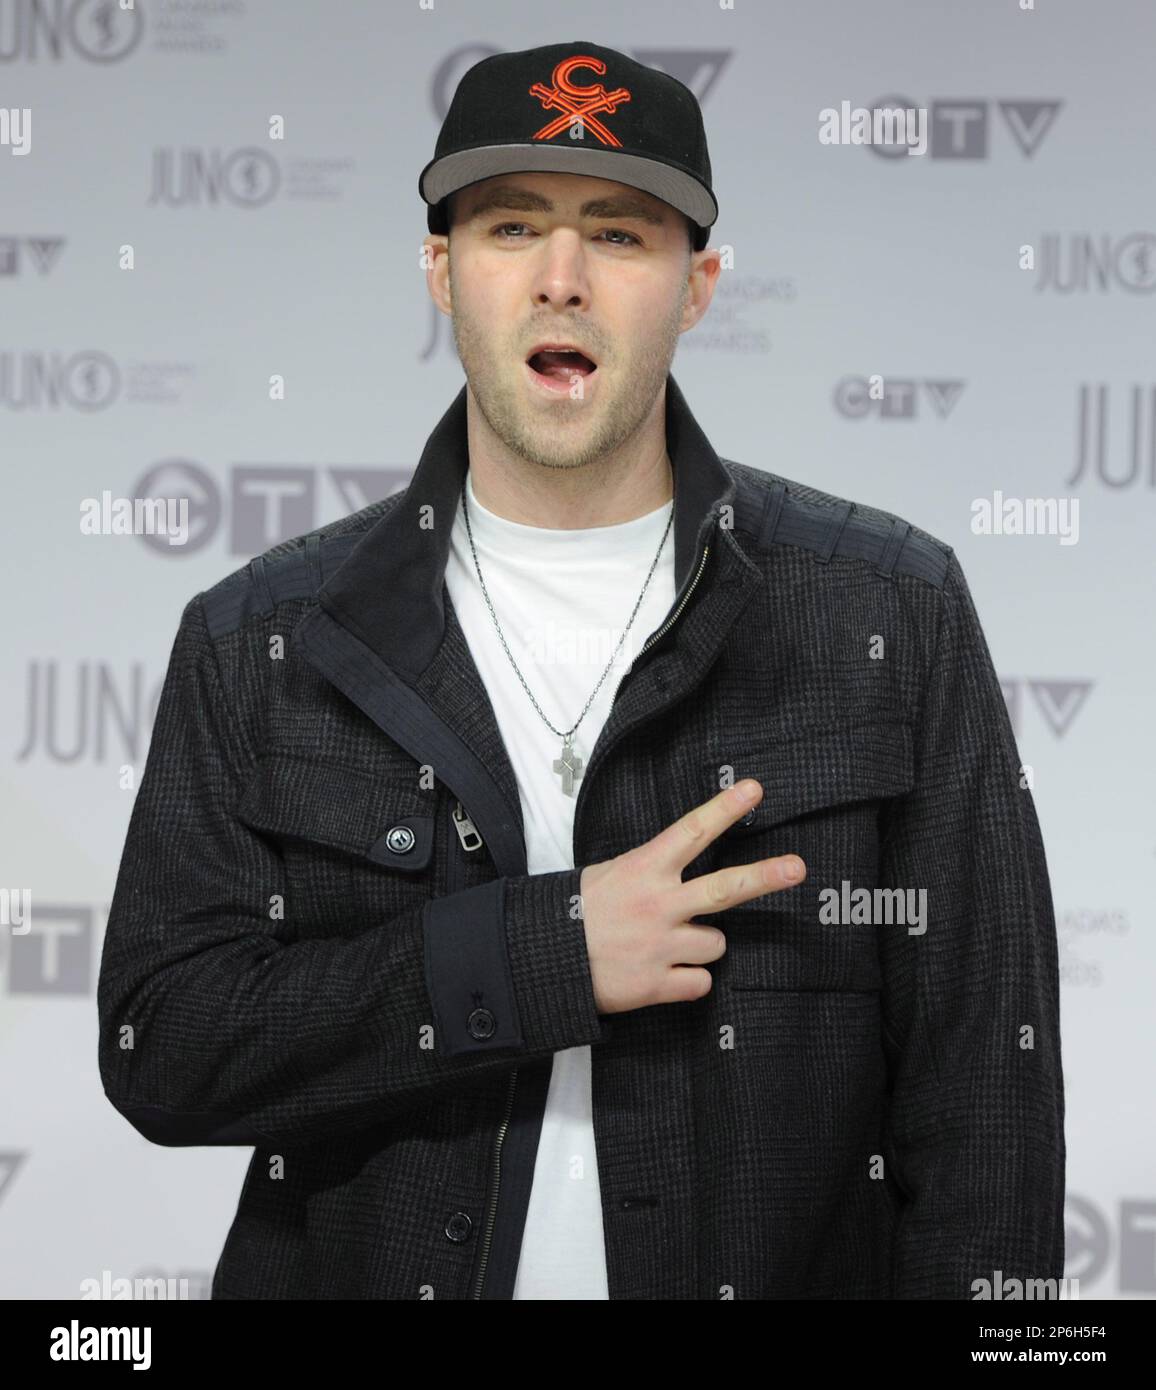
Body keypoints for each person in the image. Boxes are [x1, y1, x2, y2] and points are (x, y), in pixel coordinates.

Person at [97, 40, 1065, 1300]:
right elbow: (163, 1046)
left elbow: (985, 1099)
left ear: (697, 285)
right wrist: (544, 953)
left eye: (617, 236)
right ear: (442, 271)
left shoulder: (890, 609)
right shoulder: (262, 637)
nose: (560, 280)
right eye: (510, 228)